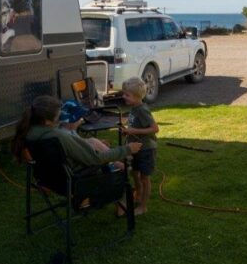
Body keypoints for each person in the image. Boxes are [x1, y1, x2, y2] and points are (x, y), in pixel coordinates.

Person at [11, 95, 142, 213]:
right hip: (75, 182)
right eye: (57, 117)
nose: (59, 119)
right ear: (46, 121)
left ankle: (85, 200)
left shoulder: (26, 134)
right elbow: (95, 159)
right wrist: (127, 149)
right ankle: (119, 207)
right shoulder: (57, 137)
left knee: (93, 144)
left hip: (48, 181)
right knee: (118, 172)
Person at [119, 77, 159, 216]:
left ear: (136, 97)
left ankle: (143, 206)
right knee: (134, 173)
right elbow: (134, 126)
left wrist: (133, 131)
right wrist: (127, 131)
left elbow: (155, 129)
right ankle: (139, 195)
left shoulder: (142, 110)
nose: (123, 97)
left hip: (147, 149)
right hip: (136, 147)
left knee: (144, 177)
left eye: (127, 95)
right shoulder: (134, 108)